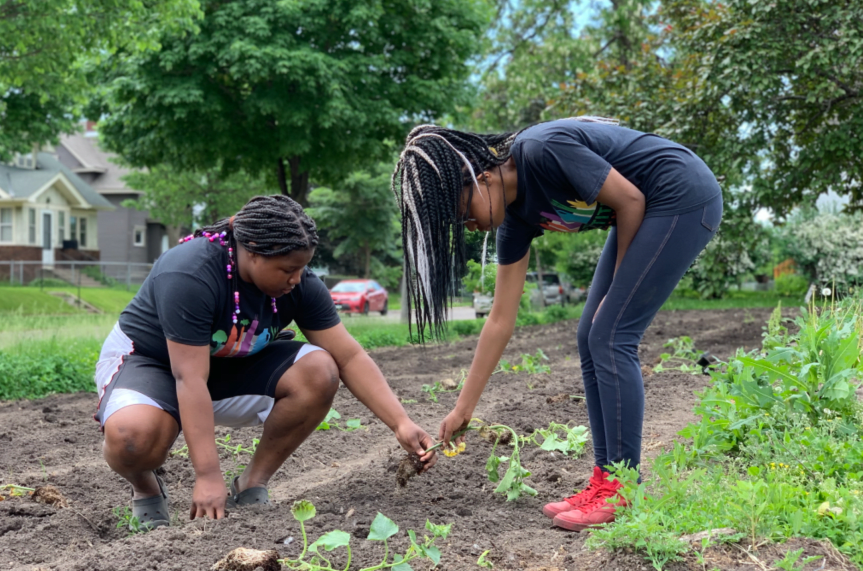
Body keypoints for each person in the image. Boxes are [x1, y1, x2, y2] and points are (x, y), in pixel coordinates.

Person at [391, 118, 722, 531]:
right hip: (646, 206)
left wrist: (616, 293)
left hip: (680, 195)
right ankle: (605, 479)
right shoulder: (516, 220)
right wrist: (463, 409)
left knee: (610, 333)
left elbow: (630, 200)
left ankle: (621, 489)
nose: (469, 227)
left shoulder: (541, 150)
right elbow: (500, 319)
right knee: (590, 336)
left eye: (464, 213)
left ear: (481, 178)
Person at [94, 195, 436, 526]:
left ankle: (251, 483)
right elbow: (190, 378)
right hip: (152, 363)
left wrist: (401, 423)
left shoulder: (299, 285)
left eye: (302, 268)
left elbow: (349, 356)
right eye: (287, 269)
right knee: (131, 436)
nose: (296, 279)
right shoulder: (190, 273)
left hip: (229, 365)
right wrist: (208, 475)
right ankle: (146, 487)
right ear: (253, 251)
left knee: (320, 370)